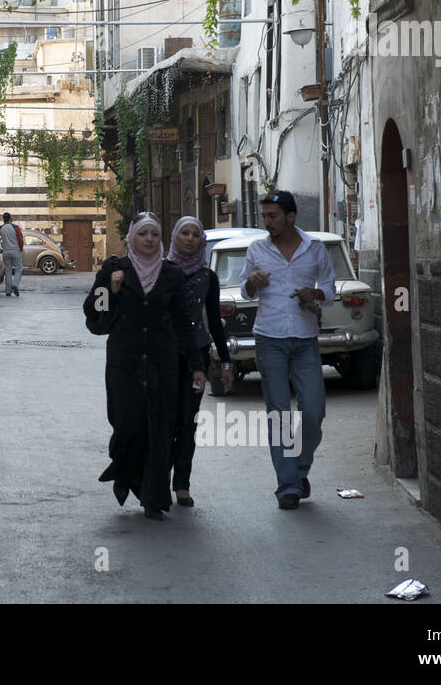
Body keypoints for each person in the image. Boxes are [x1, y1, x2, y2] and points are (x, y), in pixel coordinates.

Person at [83, 213, 205, 520]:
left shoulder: (171, 274)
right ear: (131, 239)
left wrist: (196, 364)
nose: (149, 239)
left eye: (154, 234)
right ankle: (128, 473)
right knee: (129, 426)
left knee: (161, 430)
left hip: (162, 363)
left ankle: (154, 497)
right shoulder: (115, 268)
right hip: (125, 363)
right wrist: (111, 290)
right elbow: (92, 310)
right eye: (142, 234)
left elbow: (183, 322)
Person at [241, 190, 336, 510]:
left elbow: (331, 289)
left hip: (305, 339)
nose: (266, 222)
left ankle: (300, 468)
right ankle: (288, 487)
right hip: (269, 340)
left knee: (314, 411)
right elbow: (246, 290)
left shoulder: (314, 249)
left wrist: (316, 292)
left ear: (291, 217)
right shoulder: (257, 249)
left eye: (273, 216)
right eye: (264, 216)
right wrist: (253, 281)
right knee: (278, 415)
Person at [166, 216, 232, 507]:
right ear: (175, 237)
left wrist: (227, 362)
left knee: (188, 420)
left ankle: (182, 483)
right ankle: (156, 477)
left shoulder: (208, 277)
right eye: (185, 233)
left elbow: (215, 323)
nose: (190, 239)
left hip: (198, 357)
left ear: (201, 241)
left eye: (196, 234)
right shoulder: (162, 272)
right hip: (165, 355)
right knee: (164, 420)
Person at [0, 212, 25, 296]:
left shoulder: (1, 228)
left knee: (8, 270)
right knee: (19, 268)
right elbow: (20, 239)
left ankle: (8, 291)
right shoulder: (15, 227)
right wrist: (21, 248)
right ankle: (15, 284)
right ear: (10, 218)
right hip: (15, 250)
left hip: (6, 251)